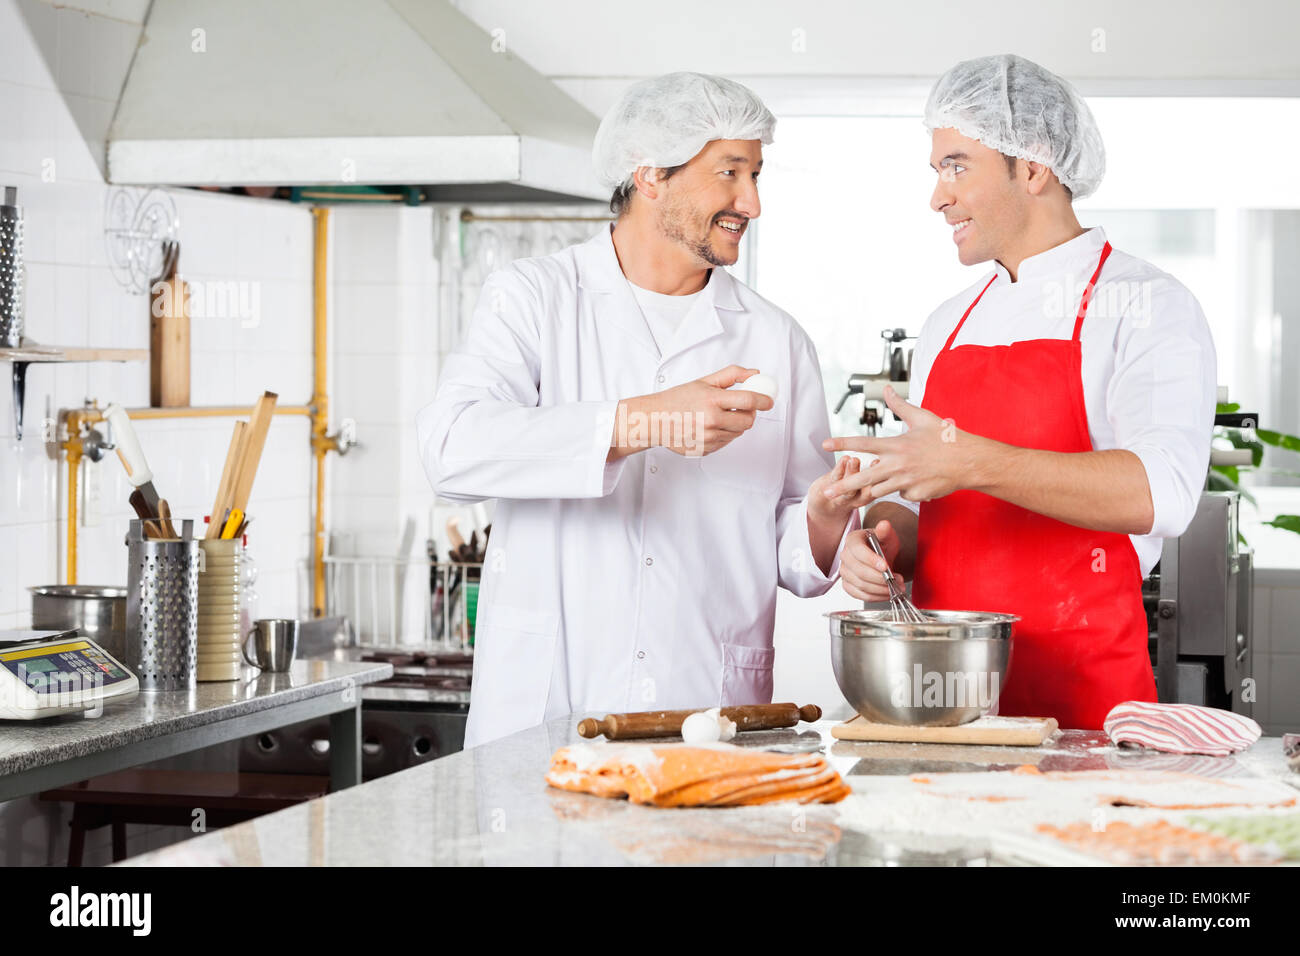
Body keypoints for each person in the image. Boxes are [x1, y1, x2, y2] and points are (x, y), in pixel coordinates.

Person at [417, 72, 865, 749]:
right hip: (547, 716)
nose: (752, 201)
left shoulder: (776, 339)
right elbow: (451, 448)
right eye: (730, 172)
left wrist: (827, 517)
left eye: (756, 174)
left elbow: (794, 552)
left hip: (706, 717)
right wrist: (638, 422)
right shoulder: (535, 298)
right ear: (651, 173)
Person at [822, 54, 1216, 730]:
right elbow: (945, 512)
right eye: (936, 171)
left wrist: (971, 459)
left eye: (956, 166)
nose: (937, 197)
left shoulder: (1143, 304)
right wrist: (887, 543)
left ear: (1033, 165)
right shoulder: (949, 321)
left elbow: (1162, 493)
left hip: (1085, 708)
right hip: (947, 706)